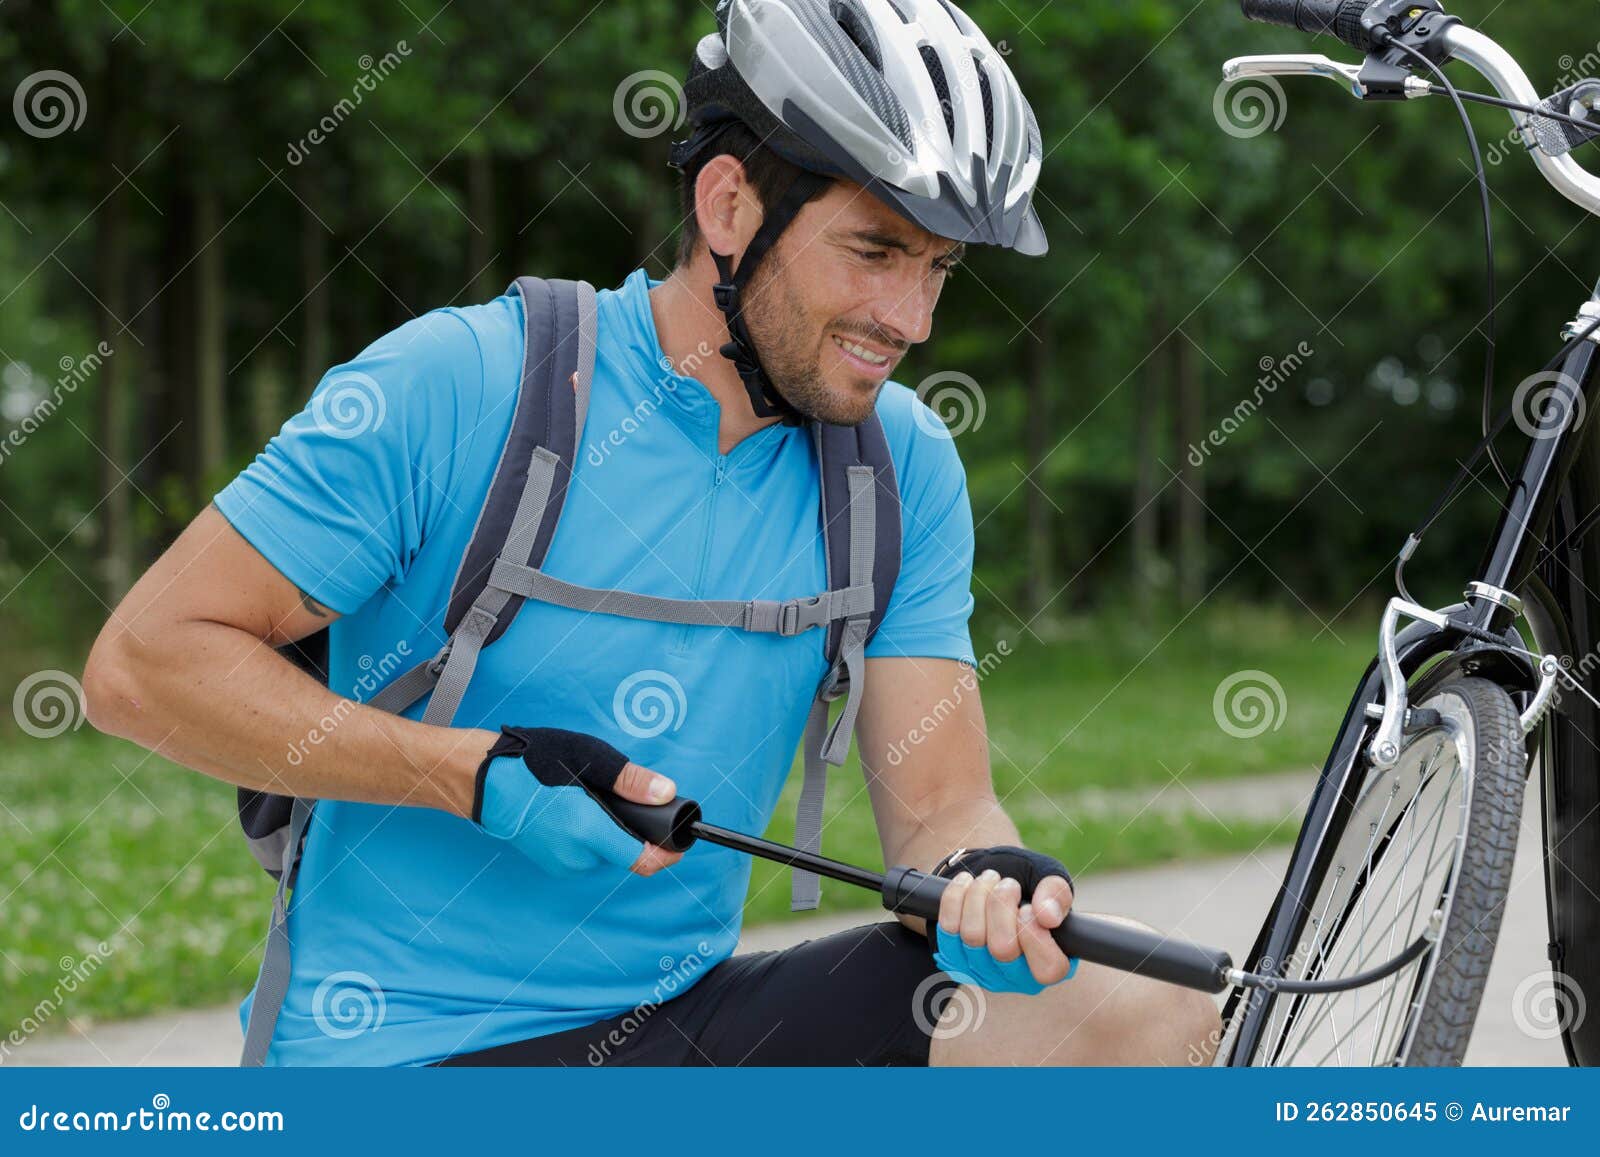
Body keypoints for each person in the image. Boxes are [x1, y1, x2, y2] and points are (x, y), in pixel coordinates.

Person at [82, 0, 1219, 1066]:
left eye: (938, 270)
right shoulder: (462, 382)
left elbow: (938, 807)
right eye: (874, 251)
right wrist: (471, 772)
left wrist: (982, 881)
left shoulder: (896, 465)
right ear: (728, 207)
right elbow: (141, 664)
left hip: (665, 1039)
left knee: (1132, 1005)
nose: (910, 320)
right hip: (397, 1058)